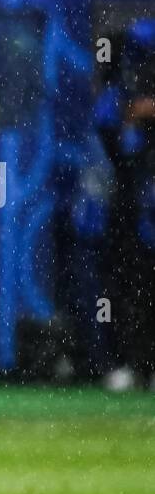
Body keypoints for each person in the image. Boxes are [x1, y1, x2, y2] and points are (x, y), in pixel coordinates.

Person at [95, 20, 155, 391]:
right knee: (127, 283)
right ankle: (130, 362)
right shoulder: (116, 96)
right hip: (130, 209)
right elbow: (114, 141)